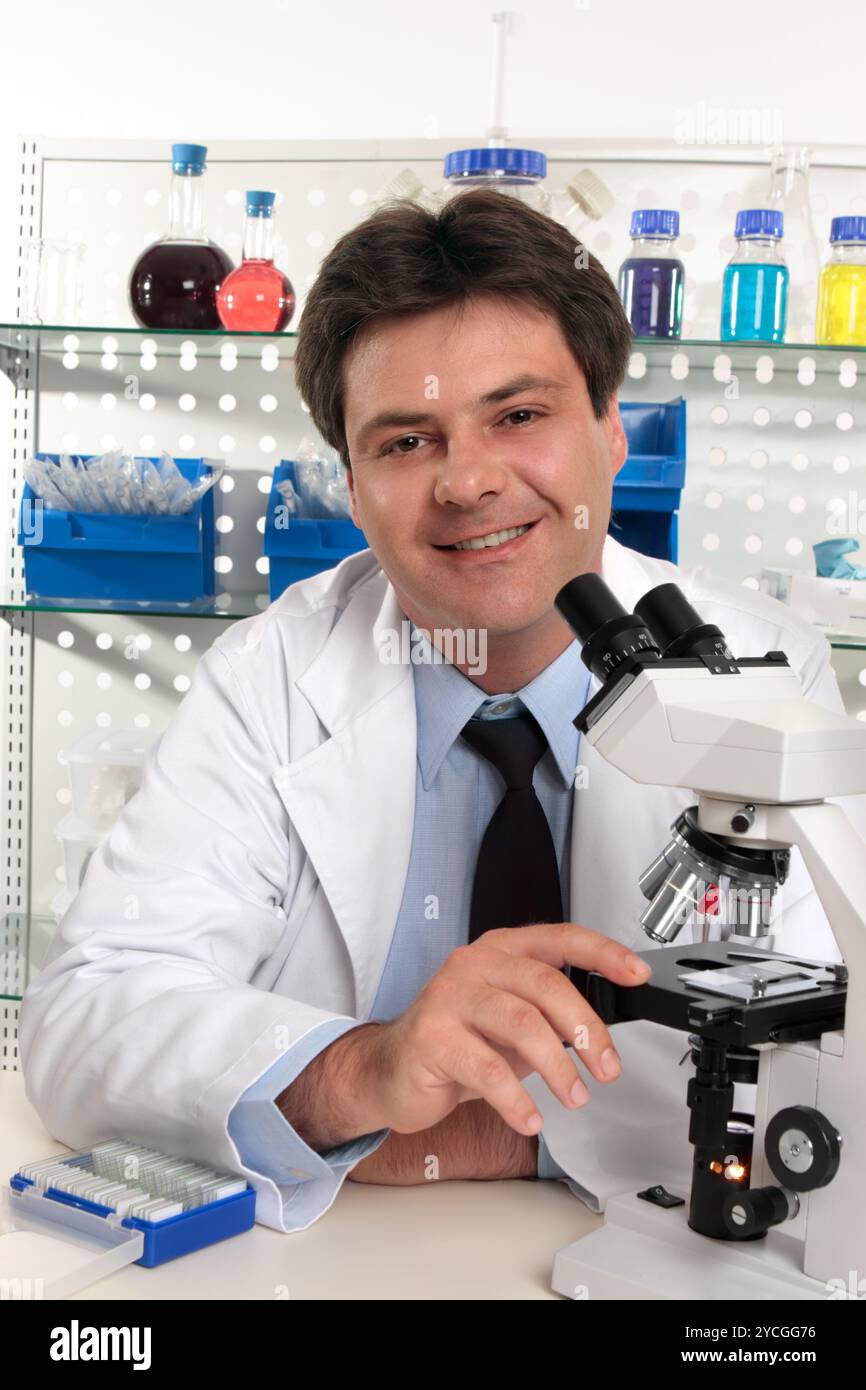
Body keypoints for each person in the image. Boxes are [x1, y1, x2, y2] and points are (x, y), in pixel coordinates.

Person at [19, 189, 865, 1233]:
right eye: (406, 441)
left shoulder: (759, 666)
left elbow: (822, 1030)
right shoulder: (271, 677)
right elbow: (86, 1019)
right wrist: (364, 1072)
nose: (467, 482)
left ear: (607, 433)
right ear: (352, 483)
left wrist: (480, 1137)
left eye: (518, 416)